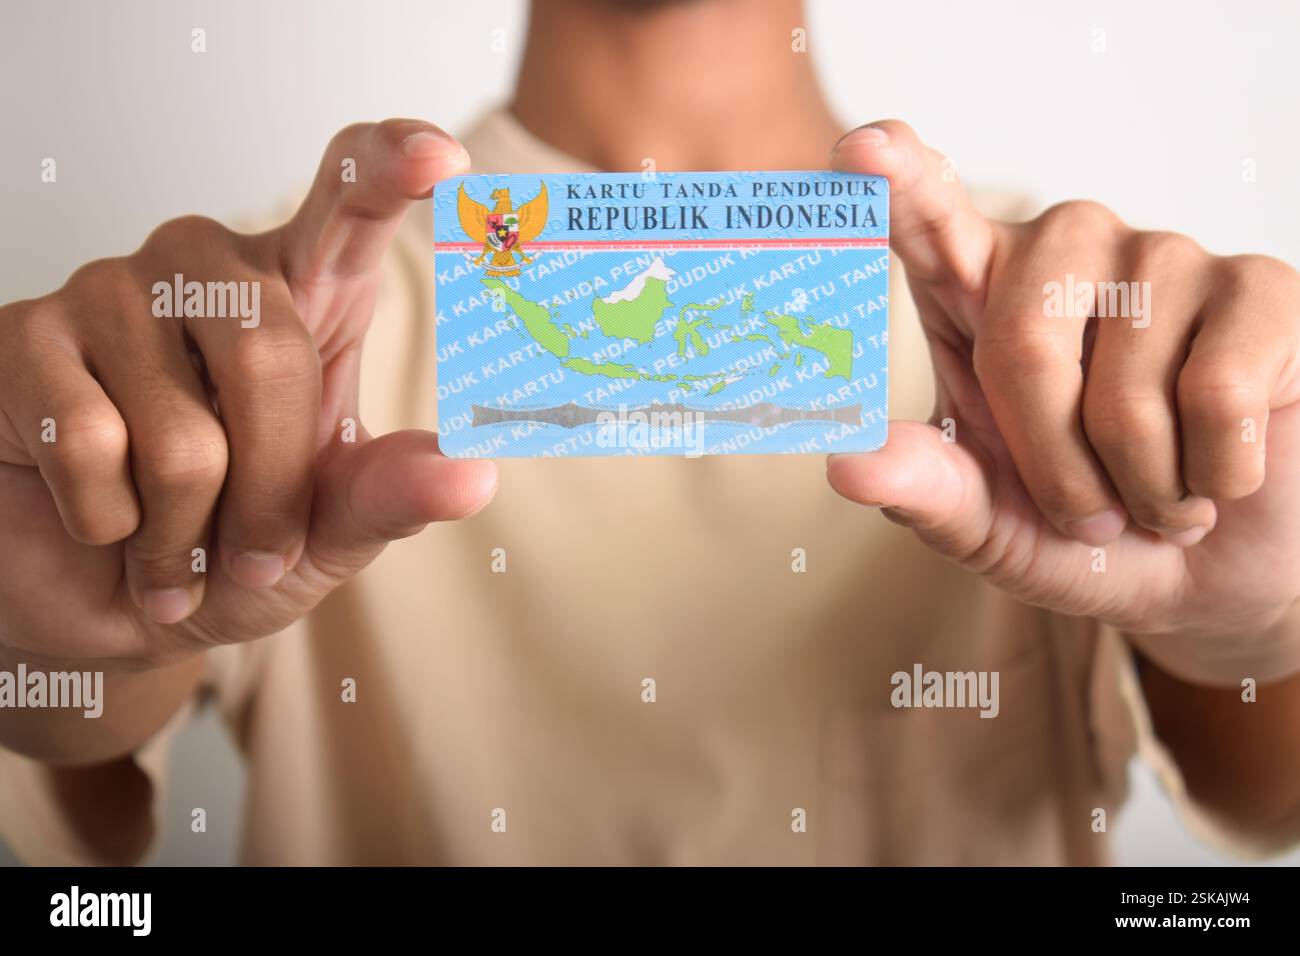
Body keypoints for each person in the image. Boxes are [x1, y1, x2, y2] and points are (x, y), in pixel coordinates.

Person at [2, 0, 1299, 865]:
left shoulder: (1071, 330)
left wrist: (1252, 624)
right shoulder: (260, 330)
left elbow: (1264, 794)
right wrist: (82, 632)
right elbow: (80, 788)